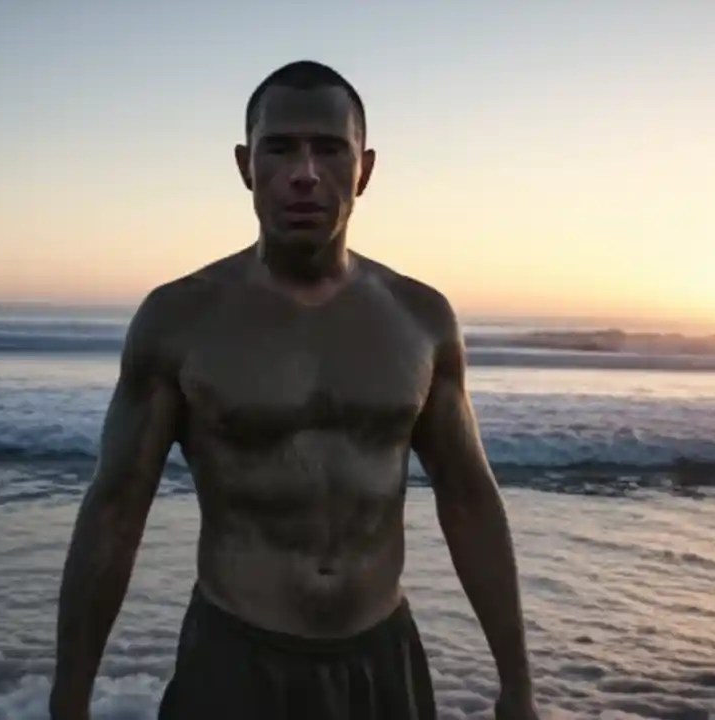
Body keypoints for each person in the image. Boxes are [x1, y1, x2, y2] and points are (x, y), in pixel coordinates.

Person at [49, 60, 539, 720]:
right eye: (280, 148)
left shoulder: (421, 320)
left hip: (381, 665)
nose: (304, 173)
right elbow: (114, 509)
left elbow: (470, 498)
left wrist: (518, 685)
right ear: (245, 165)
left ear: (363, 169)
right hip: (234, 663)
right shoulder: (180, 320)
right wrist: (69, 697)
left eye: (329, 149)